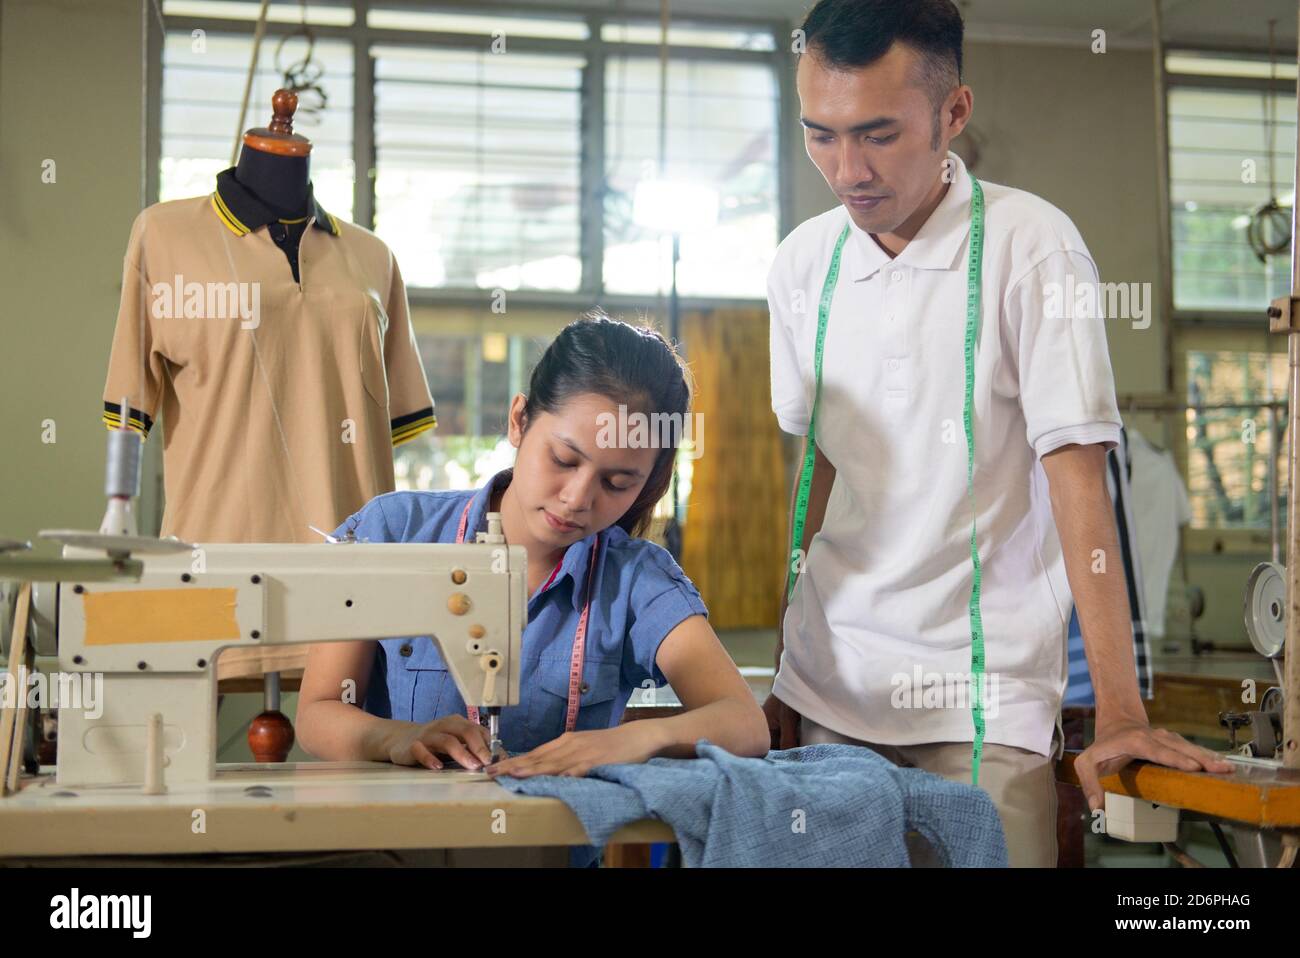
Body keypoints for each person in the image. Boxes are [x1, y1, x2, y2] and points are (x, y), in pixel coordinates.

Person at [765, 0, 1231, 867]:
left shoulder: (1034, 247)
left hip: (986, 697)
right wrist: (788, 661)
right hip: (832, 687)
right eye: (819, 135)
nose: (846, 168)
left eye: (877, 134)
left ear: (954, 114)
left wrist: (1124, 708)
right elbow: (817, 470)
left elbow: (1079, 482)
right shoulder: (802, 264)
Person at [297, 315, 768, 780]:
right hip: (396, 851)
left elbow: (744, 723)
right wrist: (396, 738)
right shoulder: (394, 532)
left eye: (617, 482)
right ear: (519, 421)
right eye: (564, 459)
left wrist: (630, 741)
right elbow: (317, 714)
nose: (578, 498)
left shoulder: (635, 579)